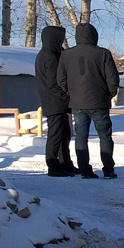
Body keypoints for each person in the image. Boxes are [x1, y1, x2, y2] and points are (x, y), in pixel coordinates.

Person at [56, 22, 121, 179]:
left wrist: (71, 93)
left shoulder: (66, 55)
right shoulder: (103, 53)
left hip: (77, 102)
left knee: (80, 136)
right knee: (104, 136)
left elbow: (60, 79)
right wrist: (109, 94)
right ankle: (108, 169)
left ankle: (84, 170)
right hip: (99, 102)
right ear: (94, 35)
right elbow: (113, 78)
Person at [34, 25, 75, 177]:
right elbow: (53, 83)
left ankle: (65, 163)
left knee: (64, 134)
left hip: (56, 102)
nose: (63, 41)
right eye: (61, 38)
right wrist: (66, 98)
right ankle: (53, 165)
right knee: (55, 135)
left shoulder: (47, 54)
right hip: (55, 102)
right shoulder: (50, 57)